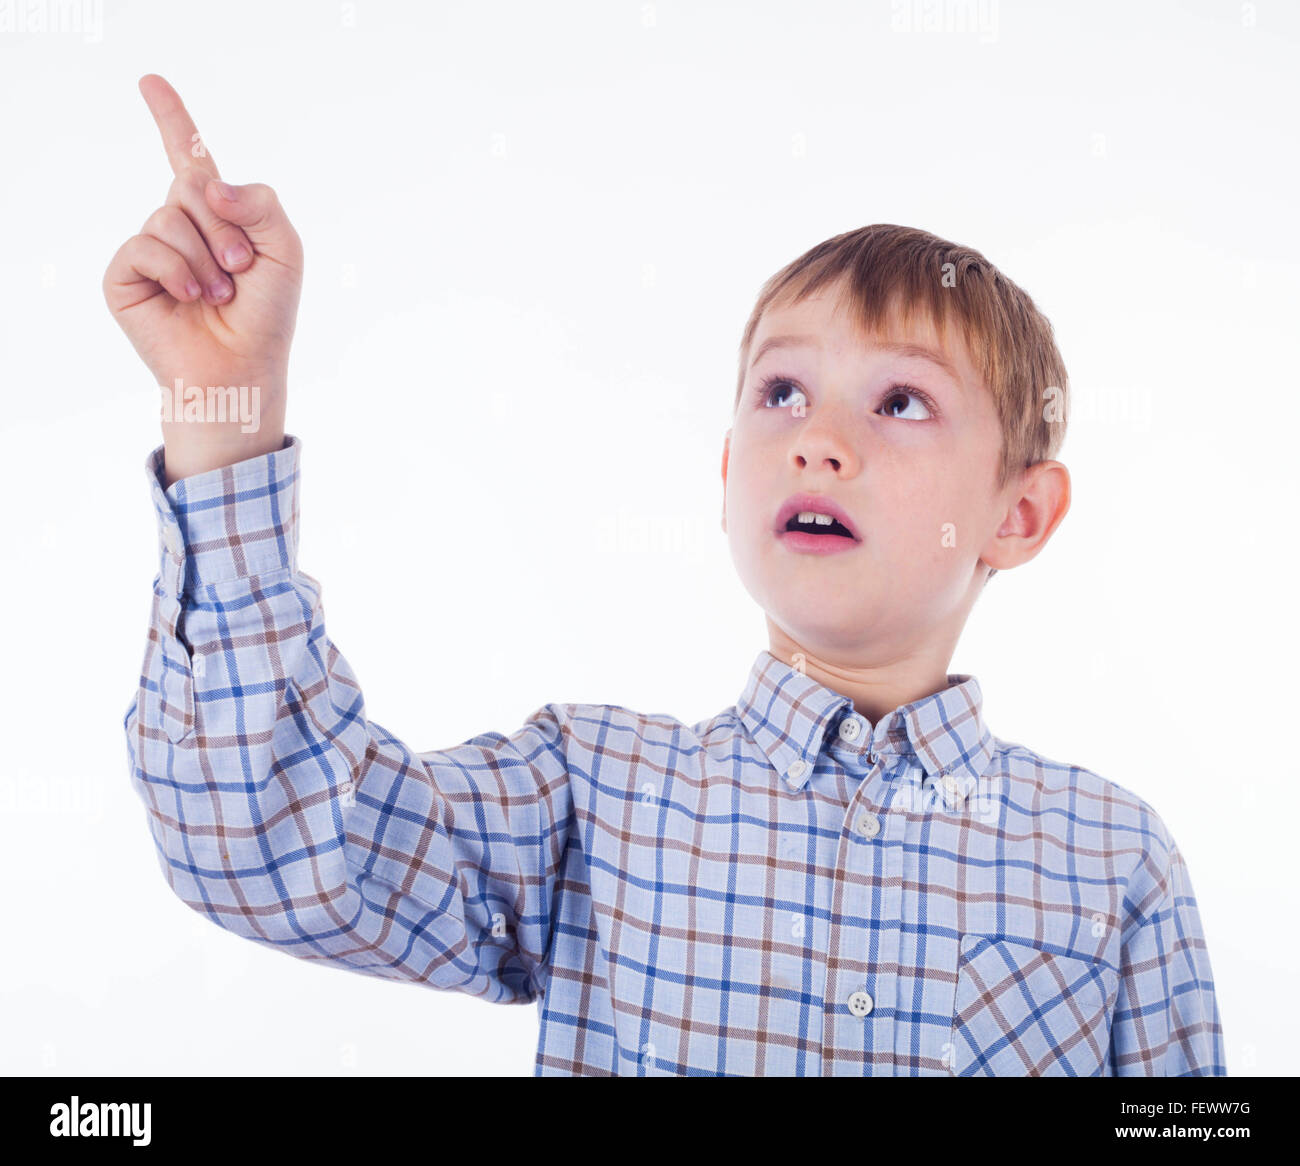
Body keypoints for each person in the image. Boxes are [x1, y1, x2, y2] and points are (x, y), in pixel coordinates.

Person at [109, 74, 1225, 1077]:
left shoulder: (1112, 858)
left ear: (1019, 514)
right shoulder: (592, 796)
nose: (819, 440)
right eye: (783, 392)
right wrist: (225, 406)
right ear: (731, 471)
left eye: (900, 401)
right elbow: (269, 845)